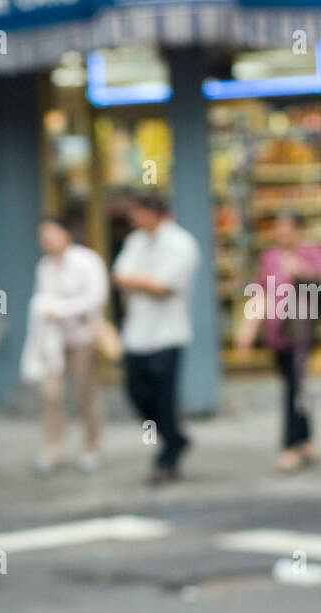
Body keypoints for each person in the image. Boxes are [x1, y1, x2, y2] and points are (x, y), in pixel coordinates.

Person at [112, 193, 200, 485]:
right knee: (137, 392)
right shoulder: (136, 242)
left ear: (153, 212)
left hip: (167, 334)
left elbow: (164, 286)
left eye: (137, 212)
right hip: (137, 334)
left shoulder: (181, 243)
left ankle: (168, 454)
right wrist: (145, 281)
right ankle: (174, 438)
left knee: (164, 398)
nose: (132, 218)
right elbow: (120, 275)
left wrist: (139, 280)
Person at [235, 212, 321, 472]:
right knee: (295, 386)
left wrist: (302, 271)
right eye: (277, 227)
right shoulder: (269, 257)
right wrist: (247, 330)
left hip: (301, 333)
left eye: (285, 227)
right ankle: (306, 438)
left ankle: (291, 447)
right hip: (277, 333)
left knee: (293, 388)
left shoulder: (313, 253)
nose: (280, 232)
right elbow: (261, 293)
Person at [19, 215, 109, 476]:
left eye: (51, 233)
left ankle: (91, 448)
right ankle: (53, 449)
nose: (46, 240)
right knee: (51, 396)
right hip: (53, 342)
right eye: (43, 235)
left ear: (66, 234)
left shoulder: (87, 261)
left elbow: (96, 298)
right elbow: (40, 300)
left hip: (83, 338)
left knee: (85, 394)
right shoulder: (44, 266)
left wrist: (61, 309)